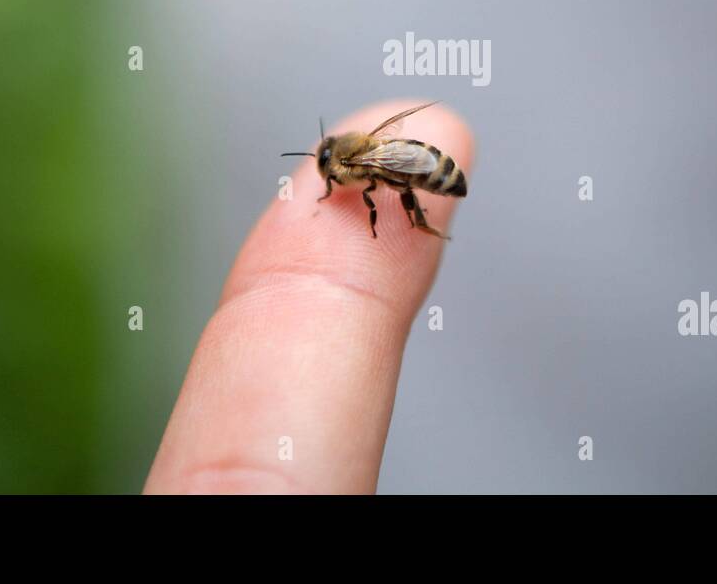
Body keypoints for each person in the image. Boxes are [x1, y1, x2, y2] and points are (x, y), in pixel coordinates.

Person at [144, 101, 473, 494]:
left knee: (397, 183)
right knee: (398, 182)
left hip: (419, 163)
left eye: (329, 175)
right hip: (416, 155)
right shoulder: (365, 149)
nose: (328, 179)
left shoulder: (362, 164)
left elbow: (373, 188)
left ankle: (421, 225)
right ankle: (421, 223)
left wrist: (363, 212)